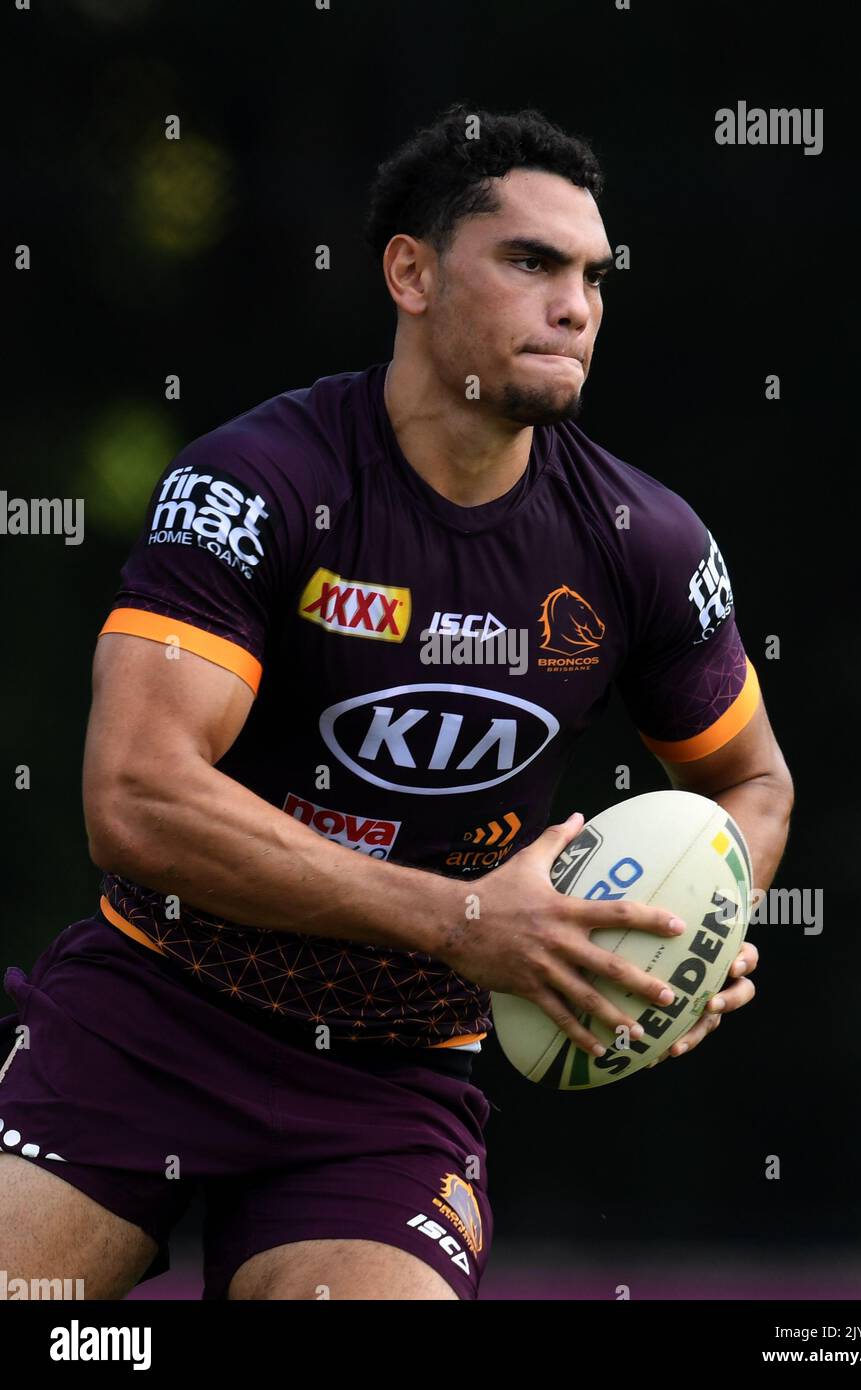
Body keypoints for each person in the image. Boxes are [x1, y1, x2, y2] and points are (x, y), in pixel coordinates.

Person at [0, 104, 793, 1301]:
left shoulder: (642, 540)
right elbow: (136, 799)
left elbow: (752, 783)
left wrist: (708, 919)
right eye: (530, 261)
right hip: (148, 1016)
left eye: (590, 274)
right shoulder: (255, 484)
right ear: (409, 273)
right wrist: (467, 921)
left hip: (387, 1088)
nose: (572, 303)